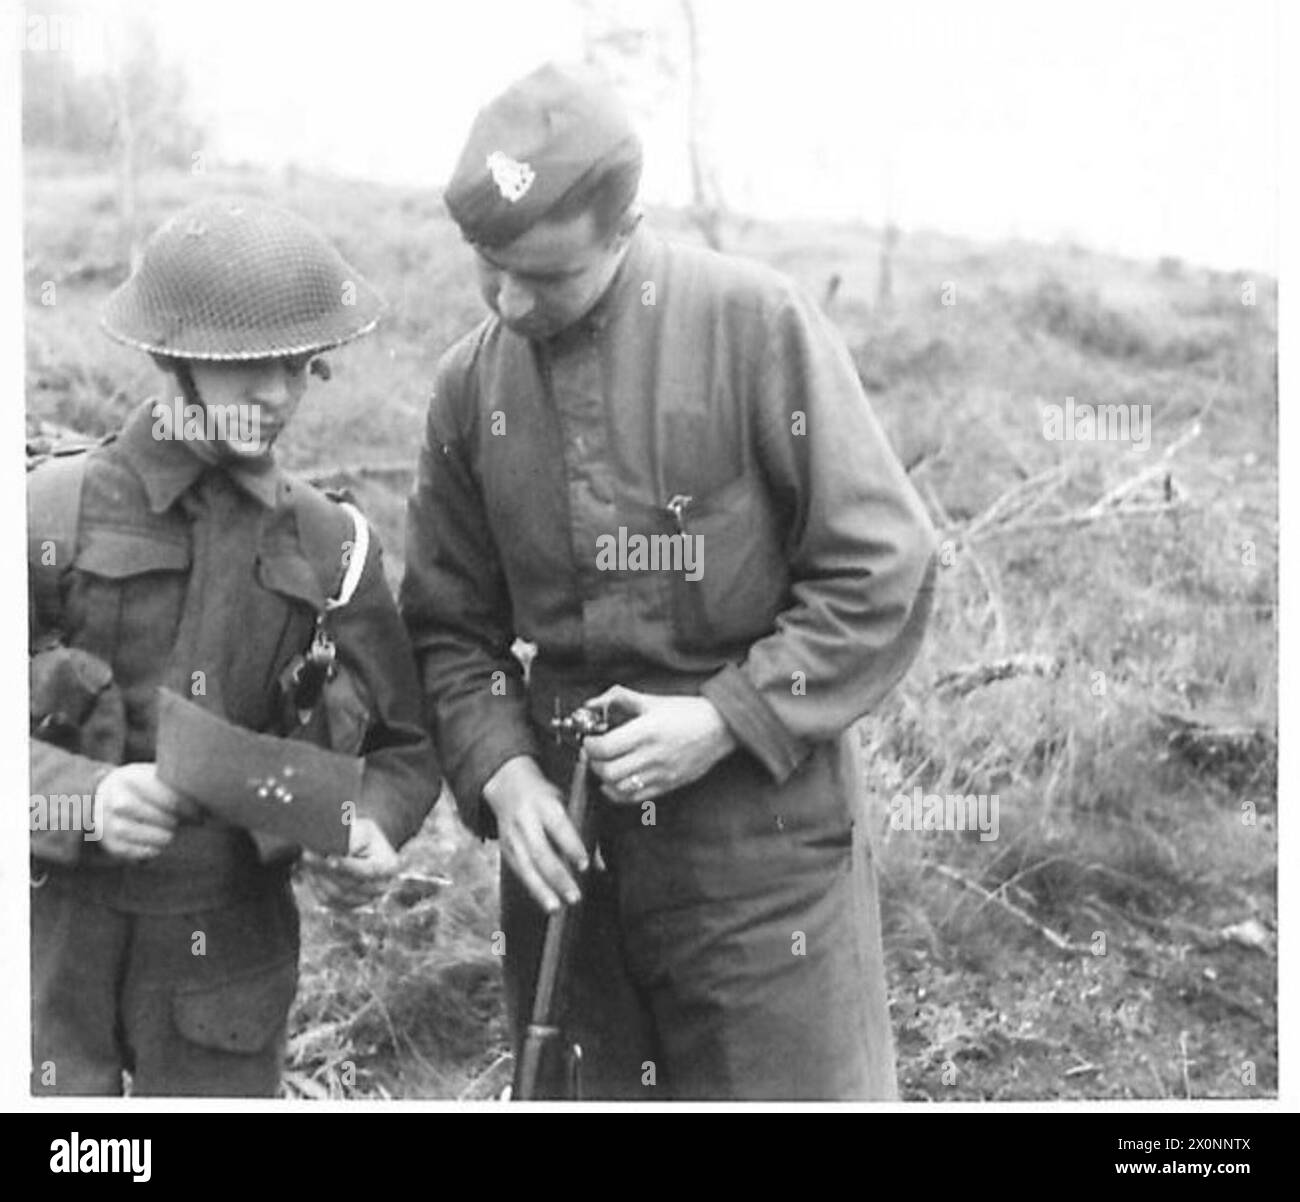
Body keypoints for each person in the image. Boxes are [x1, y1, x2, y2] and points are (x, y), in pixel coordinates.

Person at [401, 63, 937, 1100]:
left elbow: (881, 564)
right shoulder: (469, 387)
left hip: (760, 852)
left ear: (625, 228)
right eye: (488, 267)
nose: (510, 303)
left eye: (545, 278)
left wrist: (726, 716)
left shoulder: (756, 325)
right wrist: (505, 775)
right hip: (570, 849)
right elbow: (445, 627)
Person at [29, 197, 440, 1096]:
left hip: (231, 960)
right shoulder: (48, 516)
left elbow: (405, 750)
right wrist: (77, 799)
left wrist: (374, 820)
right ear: (173, 361)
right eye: (250, 368)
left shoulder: (333, 546)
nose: (279, 396)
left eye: (299, 366)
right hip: (51, 945)